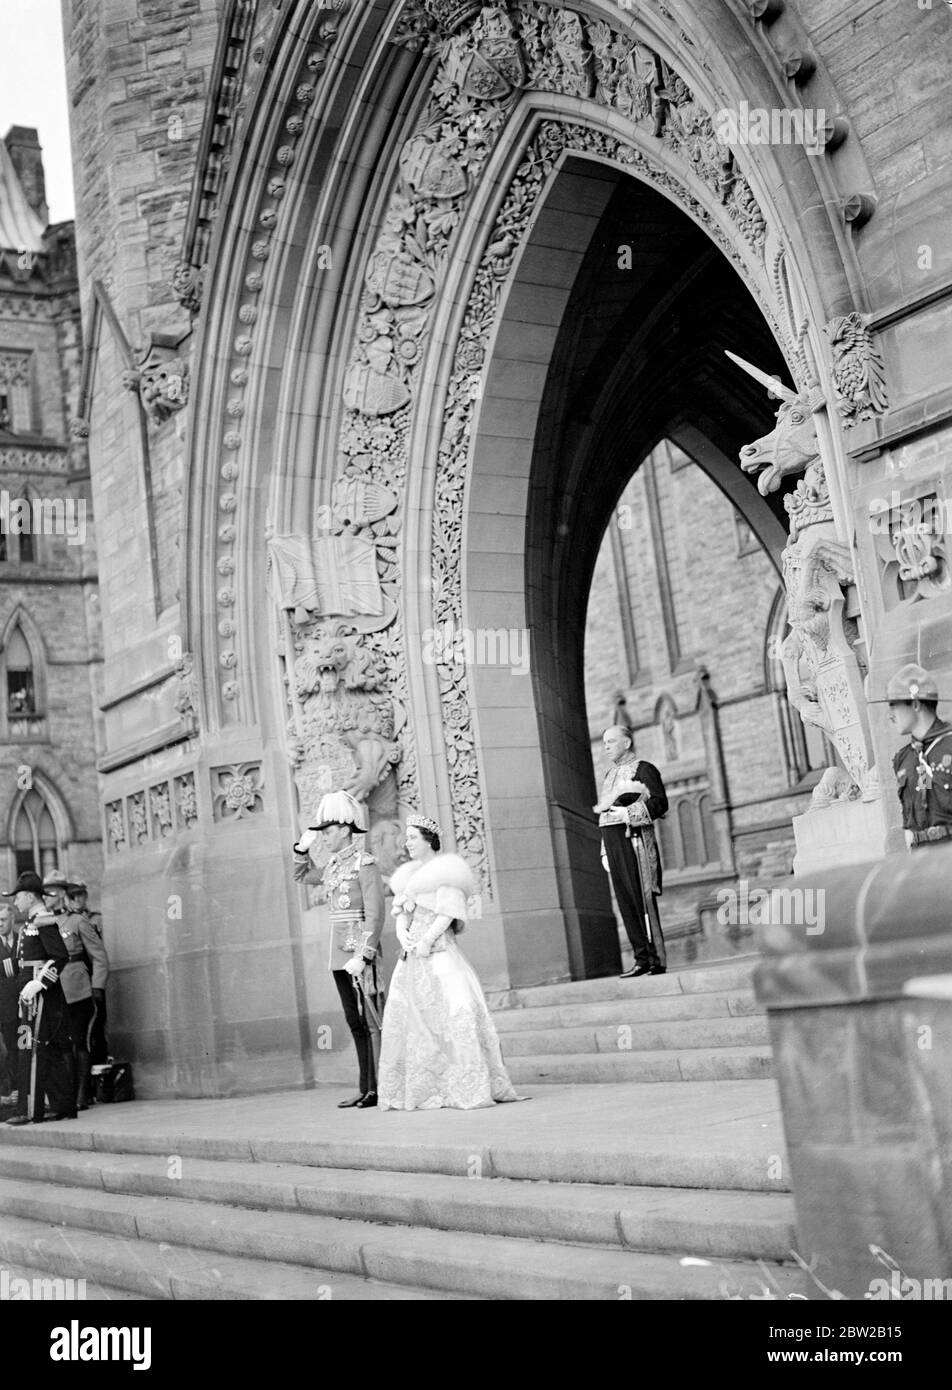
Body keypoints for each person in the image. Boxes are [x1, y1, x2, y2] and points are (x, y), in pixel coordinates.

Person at [377, 814, 521, 1111]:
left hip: (440, 953)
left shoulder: (447, 872)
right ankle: (426, 1086)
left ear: (429, 840)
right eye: (407, 838)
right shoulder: (408, 876)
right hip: (412, 958)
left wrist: (428, 939)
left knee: (455, 1013)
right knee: (414, 1022)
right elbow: (403, 910)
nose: (408, 843)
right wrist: (404, 935)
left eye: (413, 837)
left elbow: (447, 912)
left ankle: (464, 1084)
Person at [292, 791, 385, 1108]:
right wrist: (301, 849)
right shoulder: (332, 865)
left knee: (370, 1020)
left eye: (329, 832)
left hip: (359, 953)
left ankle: (378, 1087)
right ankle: (364, 1086)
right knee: (353, 1020)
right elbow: (302, 875)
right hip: (338, 954)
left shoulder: (365, 863)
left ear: (346, 829)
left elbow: (375, 912)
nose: (325, 839)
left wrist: (365, 954)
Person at [594, 724, 668, 978]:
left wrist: (631, 813)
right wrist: (605, 848)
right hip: (613, 842)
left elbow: (660, 802)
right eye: (604, 743)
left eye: (611, 742)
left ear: (626, 743)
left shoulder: (644, 769)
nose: (606, 748)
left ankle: (655, 958)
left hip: (634, 837)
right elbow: (604, 813)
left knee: (642, 897)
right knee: (625, 900)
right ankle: (641, 958)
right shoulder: (609, 776)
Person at [2, 870, 75, 1125]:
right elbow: (19, 961)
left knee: (29, 1050)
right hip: (28, 996)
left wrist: (39, 982)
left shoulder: (42, 920)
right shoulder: (31, 922)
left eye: (19, 897)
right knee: (45, 1050)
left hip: (38, 998)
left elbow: (60, 956)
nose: (16, 902)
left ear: (31, 897)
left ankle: (30, 1110)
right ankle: (63, 1105)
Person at [43, 870, 108, 1111]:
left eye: (49, 892)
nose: (45, 897)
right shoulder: (45, 922)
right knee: (63, 1045)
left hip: (79, 990)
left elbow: (99, 957)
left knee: (80, 1042)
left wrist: (97, 986)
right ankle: (68, 1093)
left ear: (60, 894)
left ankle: (83, 1093)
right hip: (55, 992)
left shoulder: (78, 921)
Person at [886, 663, 952, 847]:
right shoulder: (904, 759)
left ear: (915, 704)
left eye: (894, 706)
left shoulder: (949, 745)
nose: (890, 716)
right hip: (922, 863)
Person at [65, 878, 110, 1067]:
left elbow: (100, 955)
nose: (77, 899)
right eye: (72, 896)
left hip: (90, 982)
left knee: (95, 1033)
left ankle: (96, 1084)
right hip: (74, 984)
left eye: (80, 895)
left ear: (85, 896)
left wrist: (98, 985)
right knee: (76, 1038)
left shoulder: (95, 919)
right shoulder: (66, 921)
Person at [0, 903, 19, 1104]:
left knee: (21, 1048)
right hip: (4, 1007)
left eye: (3, 919)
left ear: (12, 920)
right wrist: (14, 966)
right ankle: (11, 1090)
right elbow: (19, 966)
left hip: (22, 1004)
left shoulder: (21, 939)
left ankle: (22, 1089)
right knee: (8, 1049)